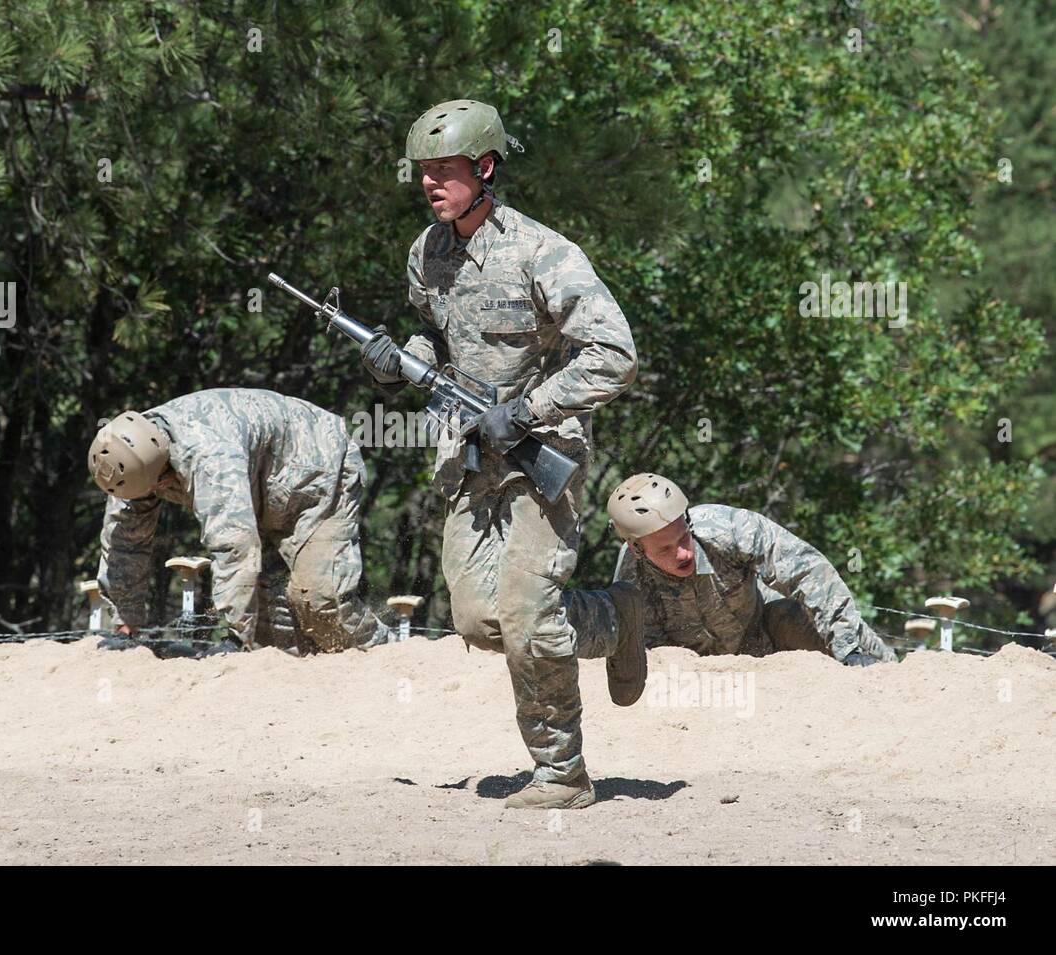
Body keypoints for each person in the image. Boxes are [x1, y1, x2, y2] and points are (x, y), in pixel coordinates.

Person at [360, 99, 639, 809]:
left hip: (543, 458)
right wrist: (400, 359)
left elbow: (615, 356)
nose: (430, 184)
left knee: (528, 617)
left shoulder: (544, 252)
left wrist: (531, 408)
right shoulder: (427, 254)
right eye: (423, 172)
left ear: (485, 169)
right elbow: (437, 340)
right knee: (480, 622)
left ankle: (562, 774)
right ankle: (616, 617)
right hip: (469, 459)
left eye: (445, 170)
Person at [88, 388, 388, 653]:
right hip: (259, 484)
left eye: (160, 485)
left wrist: (235, 636)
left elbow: (233, 543)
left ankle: (386, 655)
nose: (158, 493)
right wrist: (125, 622)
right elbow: (124, 540)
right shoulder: (124, 458)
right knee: (272, 622)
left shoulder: (210, 457)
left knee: (319, 601)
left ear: (164, 469)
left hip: (319, 471)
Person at [607, 473, 896, 664]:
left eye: (684, 537)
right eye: (665, 549)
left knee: (813, 624)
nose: (683, 552)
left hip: (764, 628)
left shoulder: (727, 528)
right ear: (637, 549)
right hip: (708, 677)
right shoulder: (631, 580)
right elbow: (649, 653)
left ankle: (890, 670)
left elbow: (808, 571)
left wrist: (850, 649)